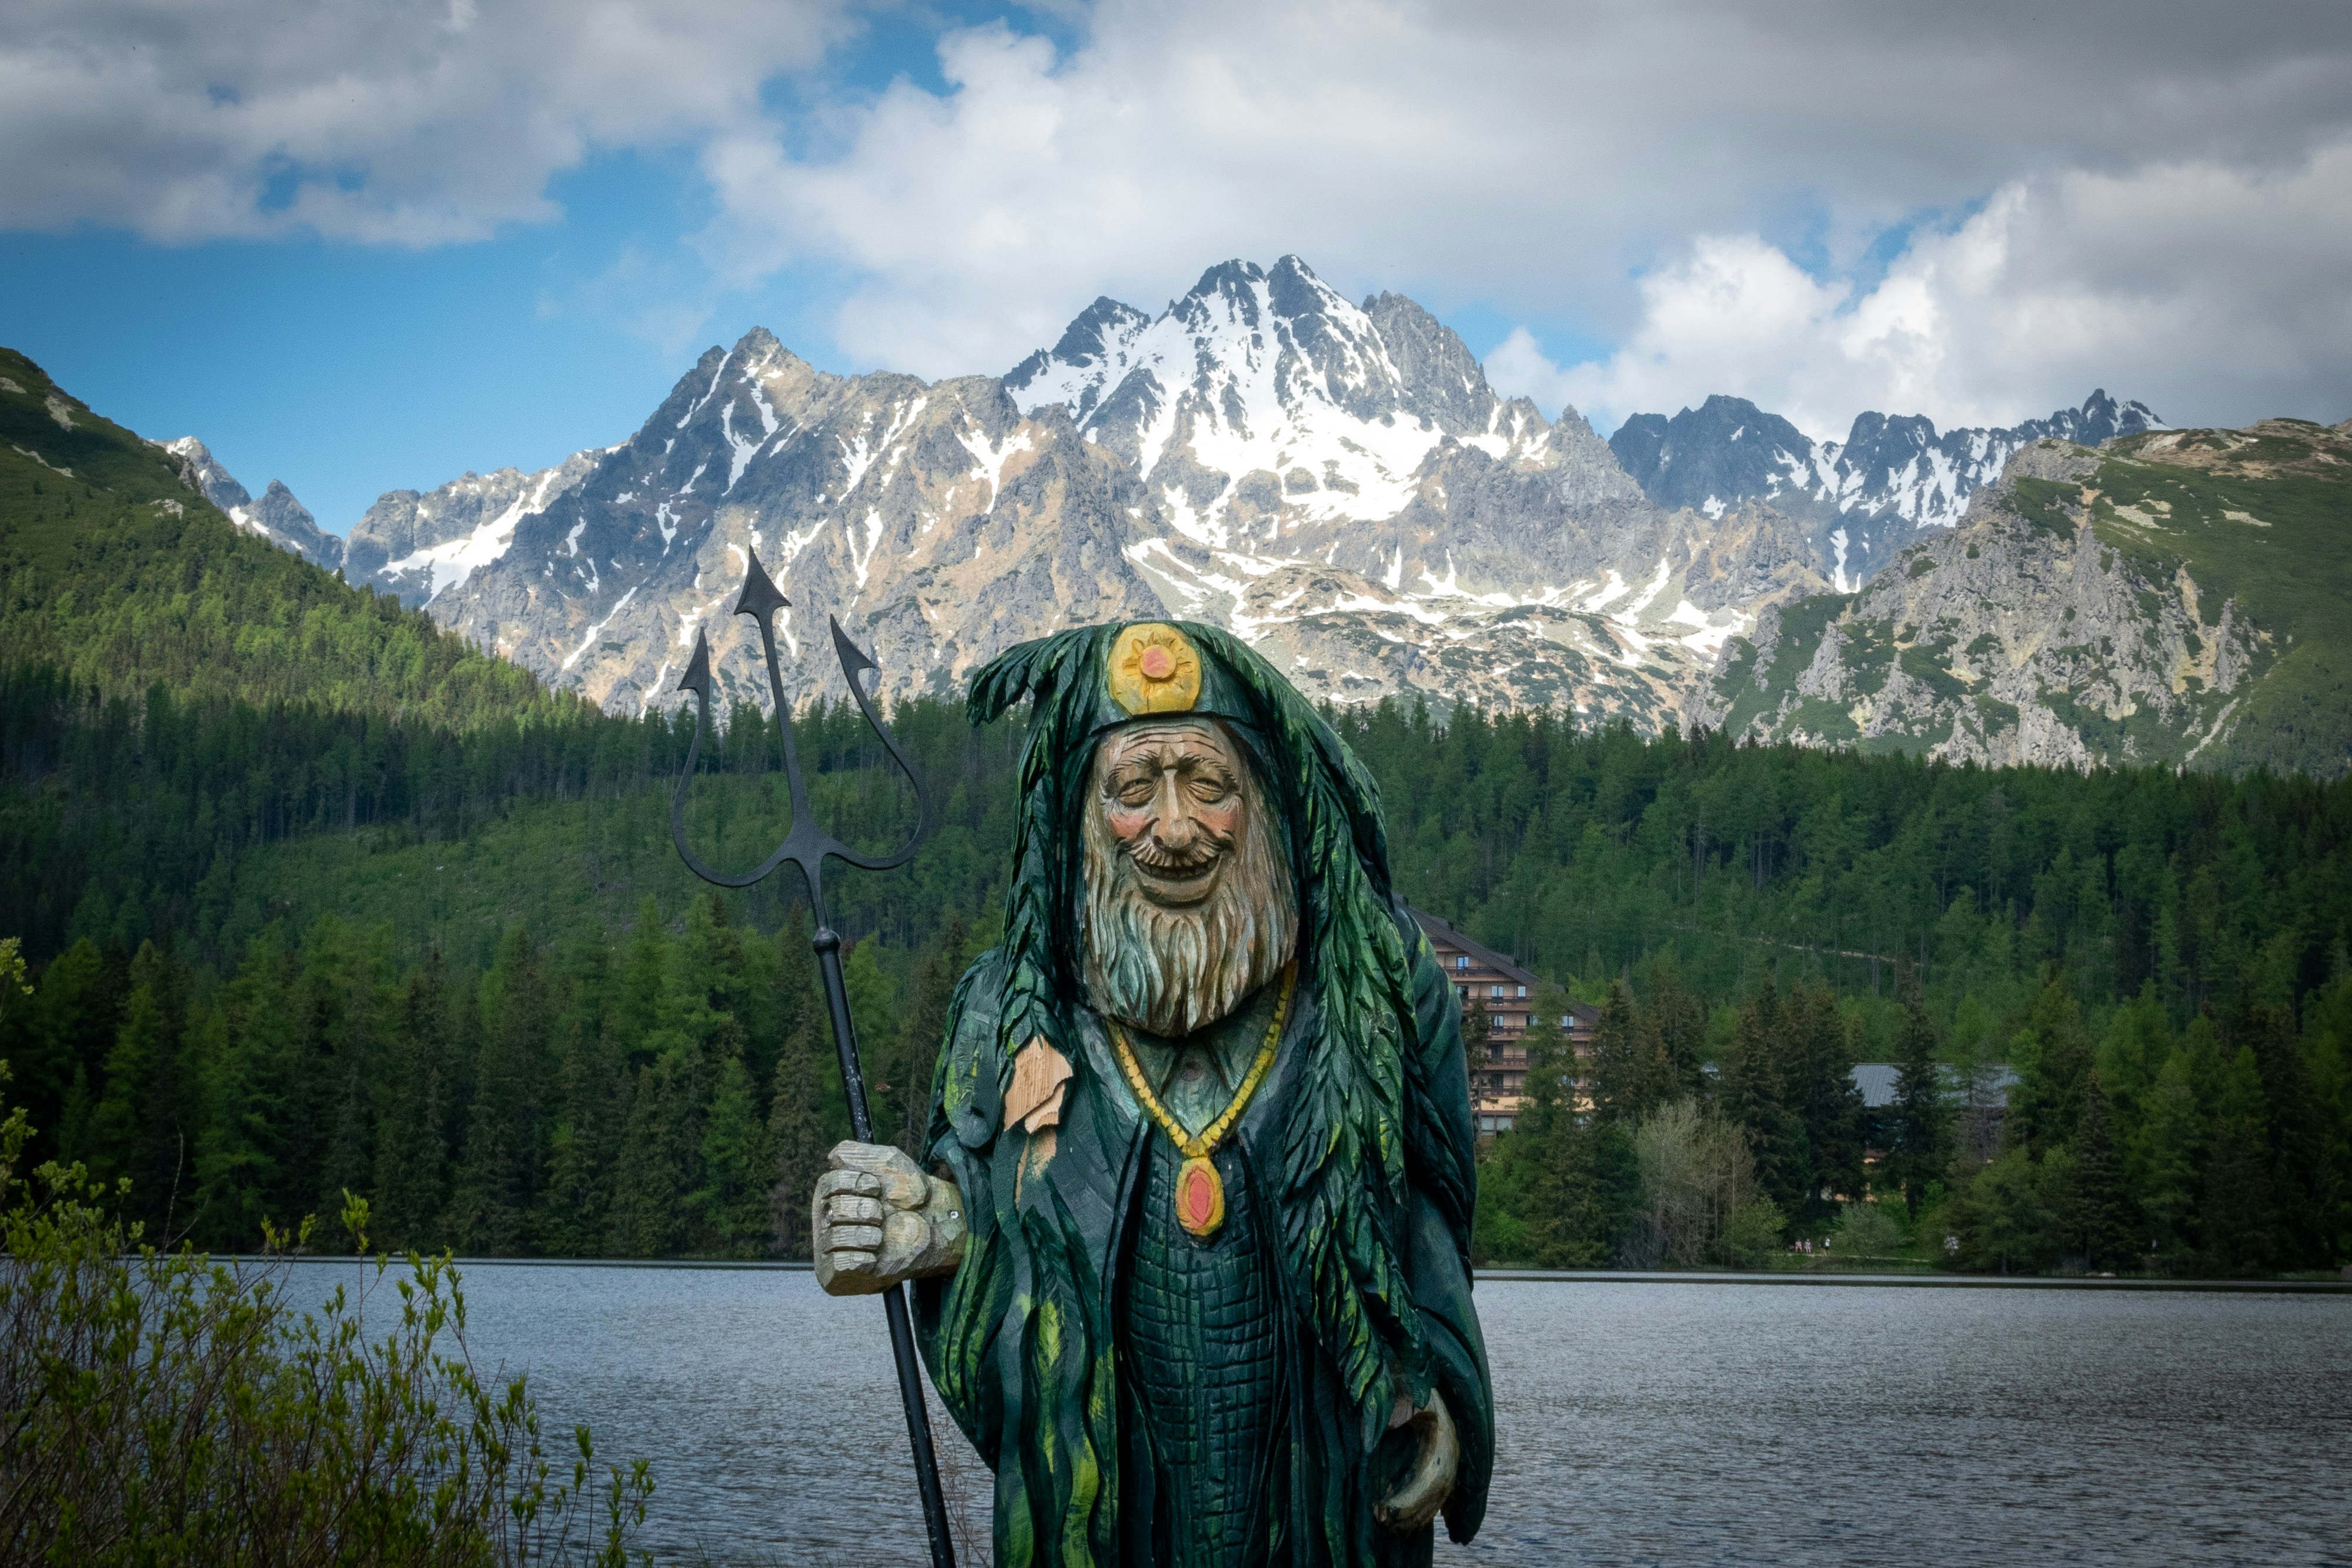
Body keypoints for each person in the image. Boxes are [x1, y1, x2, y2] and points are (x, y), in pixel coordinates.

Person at [813, 621, 1493, 1567]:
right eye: (1134, 790)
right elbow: (975, 1218)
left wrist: (1442, 1392)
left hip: (1323, 1513)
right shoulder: (1008, 1012)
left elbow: (1431, 1222)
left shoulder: (1375, 985)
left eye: (1208, 786)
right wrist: (925, 1232)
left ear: (1265, 798)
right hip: (1098, 1517)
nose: (1174, 831)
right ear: (1082, 816)